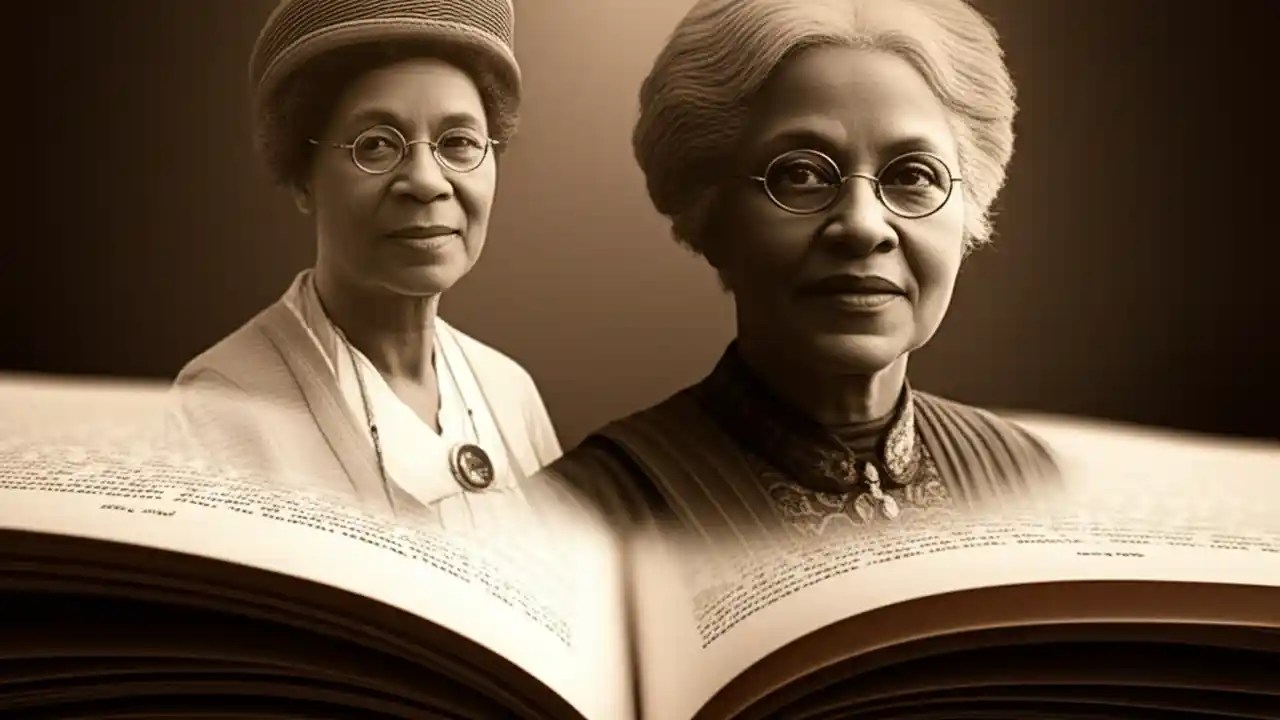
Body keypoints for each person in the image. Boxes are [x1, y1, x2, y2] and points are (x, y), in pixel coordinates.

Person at [534, 0, 1061, 544]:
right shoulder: (588, 511)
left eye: (912, 175)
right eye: (802, 174)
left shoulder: (1028, 479)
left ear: (968, 209)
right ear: (712, 213)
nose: (862, 225)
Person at [169, 0, 561, 524]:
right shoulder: (224, 404)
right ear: (304, 178)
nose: (426, 181)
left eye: (459, 142)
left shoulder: (510, 391)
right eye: (376, 145)